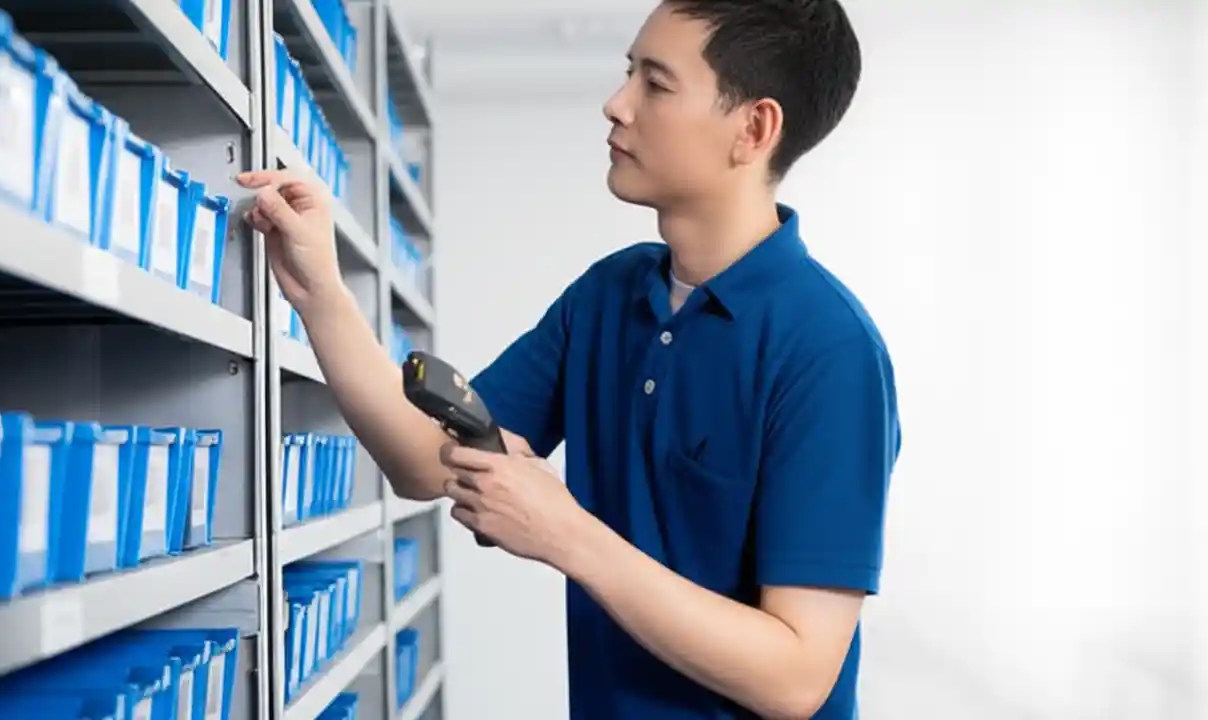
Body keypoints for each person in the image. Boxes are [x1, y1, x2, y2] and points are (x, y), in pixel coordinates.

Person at [238, 1, 899, 717]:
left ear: (753, 129)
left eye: (656, 83)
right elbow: (425, 461)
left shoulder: (829, 350)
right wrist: (319, 293)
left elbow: (795, 677)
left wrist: (566, 533)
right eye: (628, 74)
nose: (616, 105)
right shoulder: (608, 298)